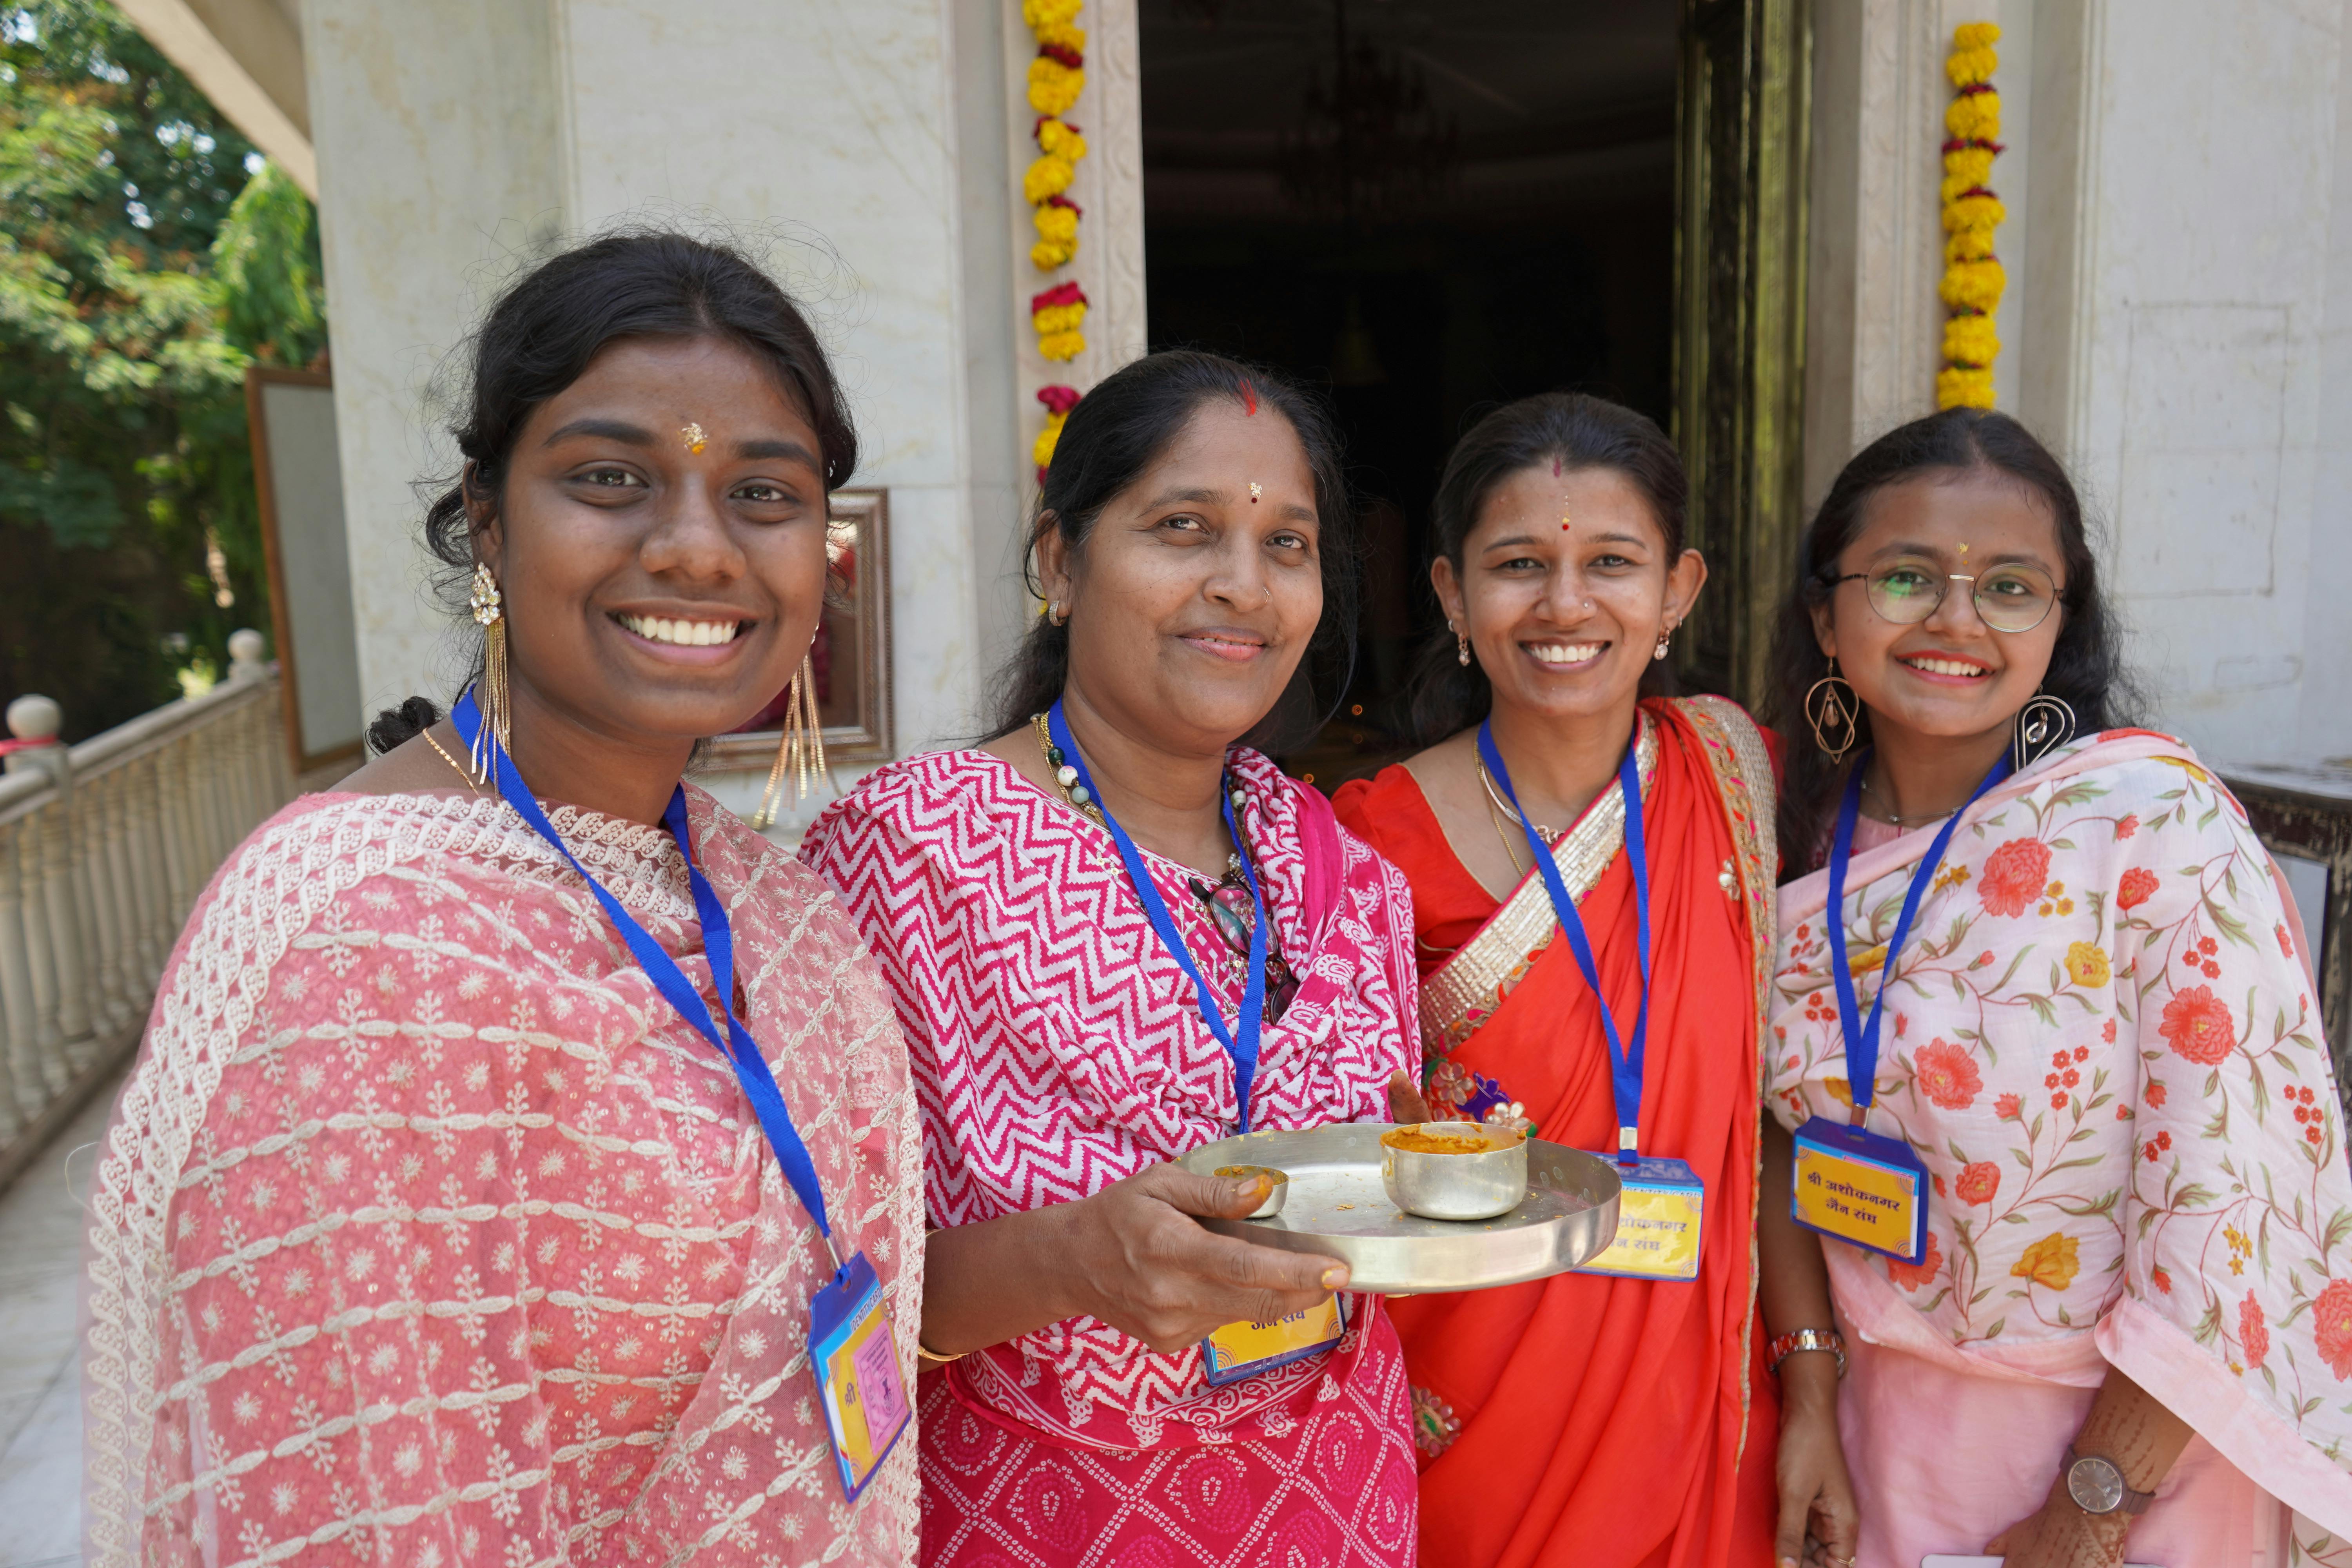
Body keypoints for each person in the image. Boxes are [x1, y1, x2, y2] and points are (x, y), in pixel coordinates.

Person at [81, 233, 924, 1567]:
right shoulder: (356, 937)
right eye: (609, 479)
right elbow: (344, 1503)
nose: (700, 550)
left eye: (765, 493)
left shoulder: (769, 897)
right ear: (487, 515)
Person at [800, 350, 1422, 1568]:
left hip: (1340, 1494)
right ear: (1059, 562)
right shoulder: (909, 853)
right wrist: (1071, 1261)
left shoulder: (1336, 861)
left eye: (1287, 545)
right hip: (1051, 1512)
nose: (1242, 585)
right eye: (1183, 529)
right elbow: (821, 1297)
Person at [1763, 406, 2352, 1565]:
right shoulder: (1791, 835)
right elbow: (1774, 1138)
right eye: (1904, 578)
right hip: (1877, 1435)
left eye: (2011, 587)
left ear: (2059, 625)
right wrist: (1813, 1398)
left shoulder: (2153, 832)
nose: (1955, 619)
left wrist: (2090, 1512)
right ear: (1828, 613)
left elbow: (2229, 1213)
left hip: (2132, 1464)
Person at [1332, 392, 1856, 1568]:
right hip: (1463, 1424)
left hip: (1708, 1419)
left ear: (1678, 591)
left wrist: (1812, 1390)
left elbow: (1763, 1129)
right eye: (1520, 564)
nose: (1566, 606)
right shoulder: (1365, 843)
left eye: (1612, 563)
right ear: (1453, 596)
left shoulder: (1738, 781)